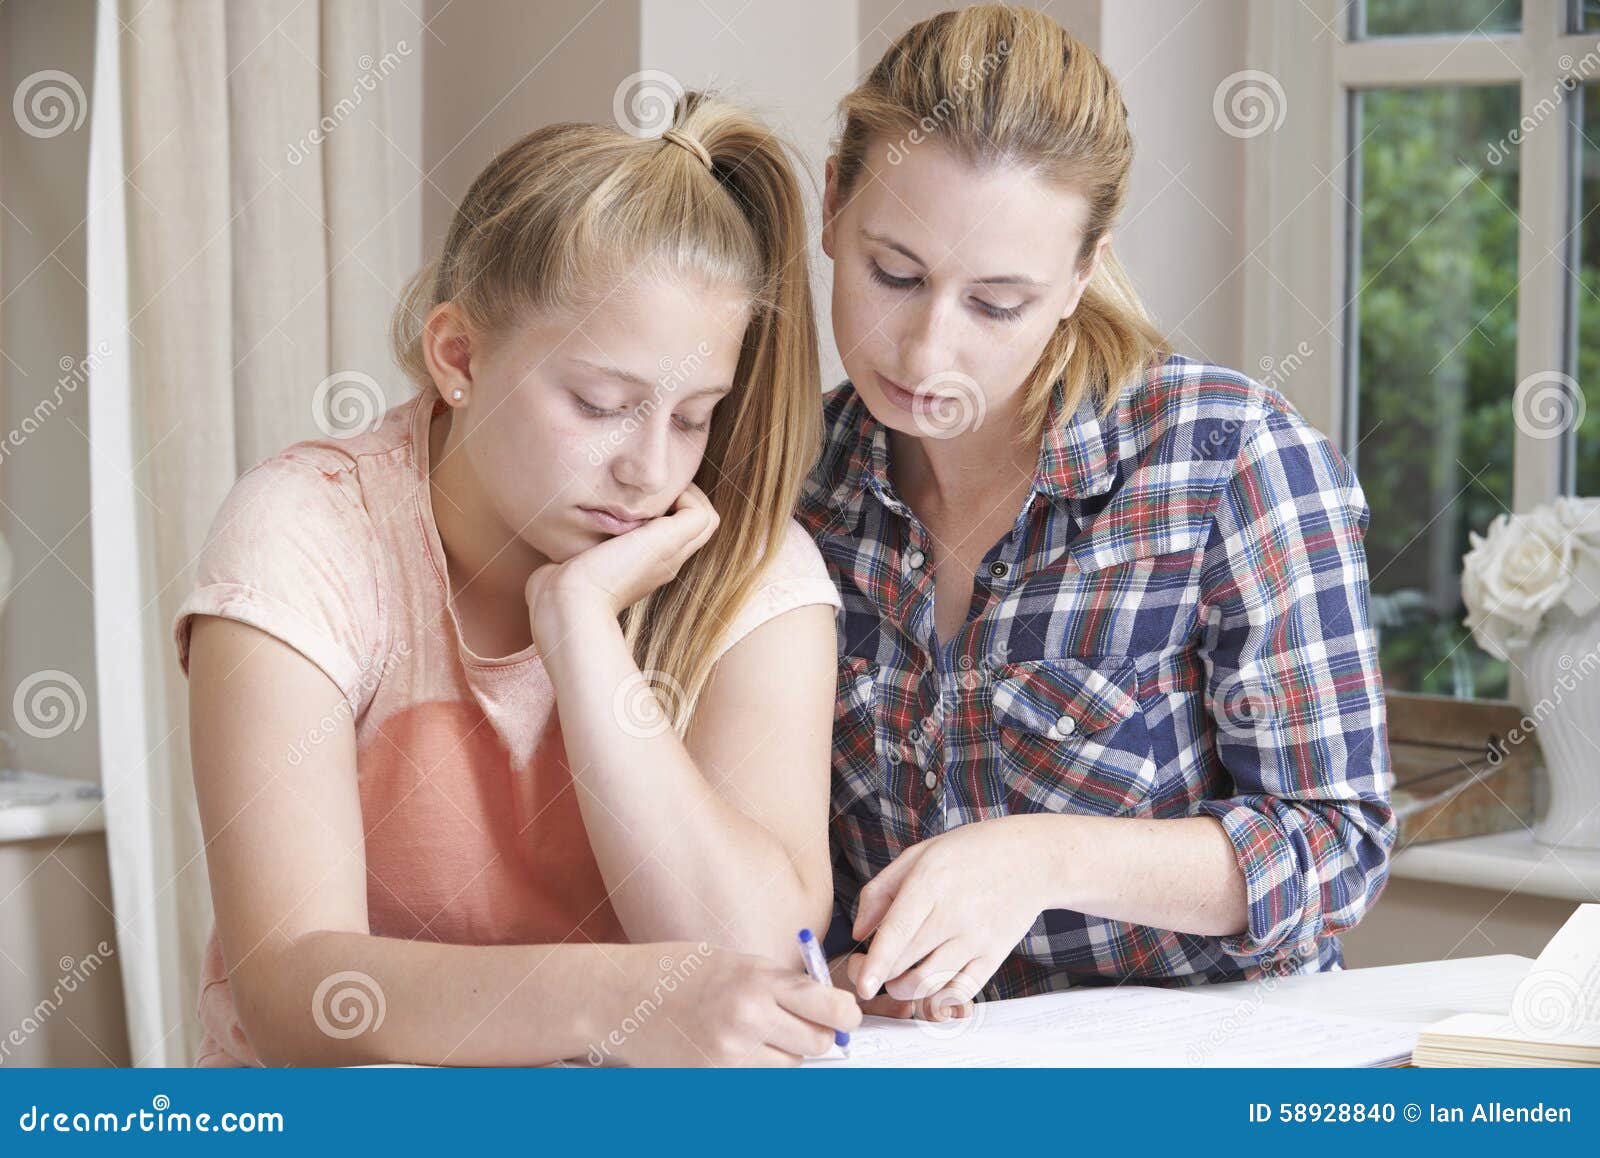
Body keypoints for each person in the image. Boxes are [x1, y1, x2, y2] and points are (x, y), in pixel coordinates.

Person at [177, 92, 860, 1066]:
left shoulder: (748, 566)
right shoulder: (306, 530)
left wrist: (580, 628)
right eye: (601, 403)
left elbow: (760, 963)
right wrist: (620, 1002)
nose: (651, 471)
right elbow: (294, 994)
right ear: (457, 355)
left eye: (693, 416)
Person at [800, 5, 1395, 1019]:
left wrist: (1044, 858)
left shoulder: (1229, 459)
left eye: (997, 303)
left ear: (1081, 274)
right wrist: (837, 969)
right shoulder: (794, 484)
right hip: (920, 1068)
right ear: (831, 207)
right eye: (894, 274)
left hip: (1208, 1066)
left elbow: (1337, 847)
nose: (927, 349)